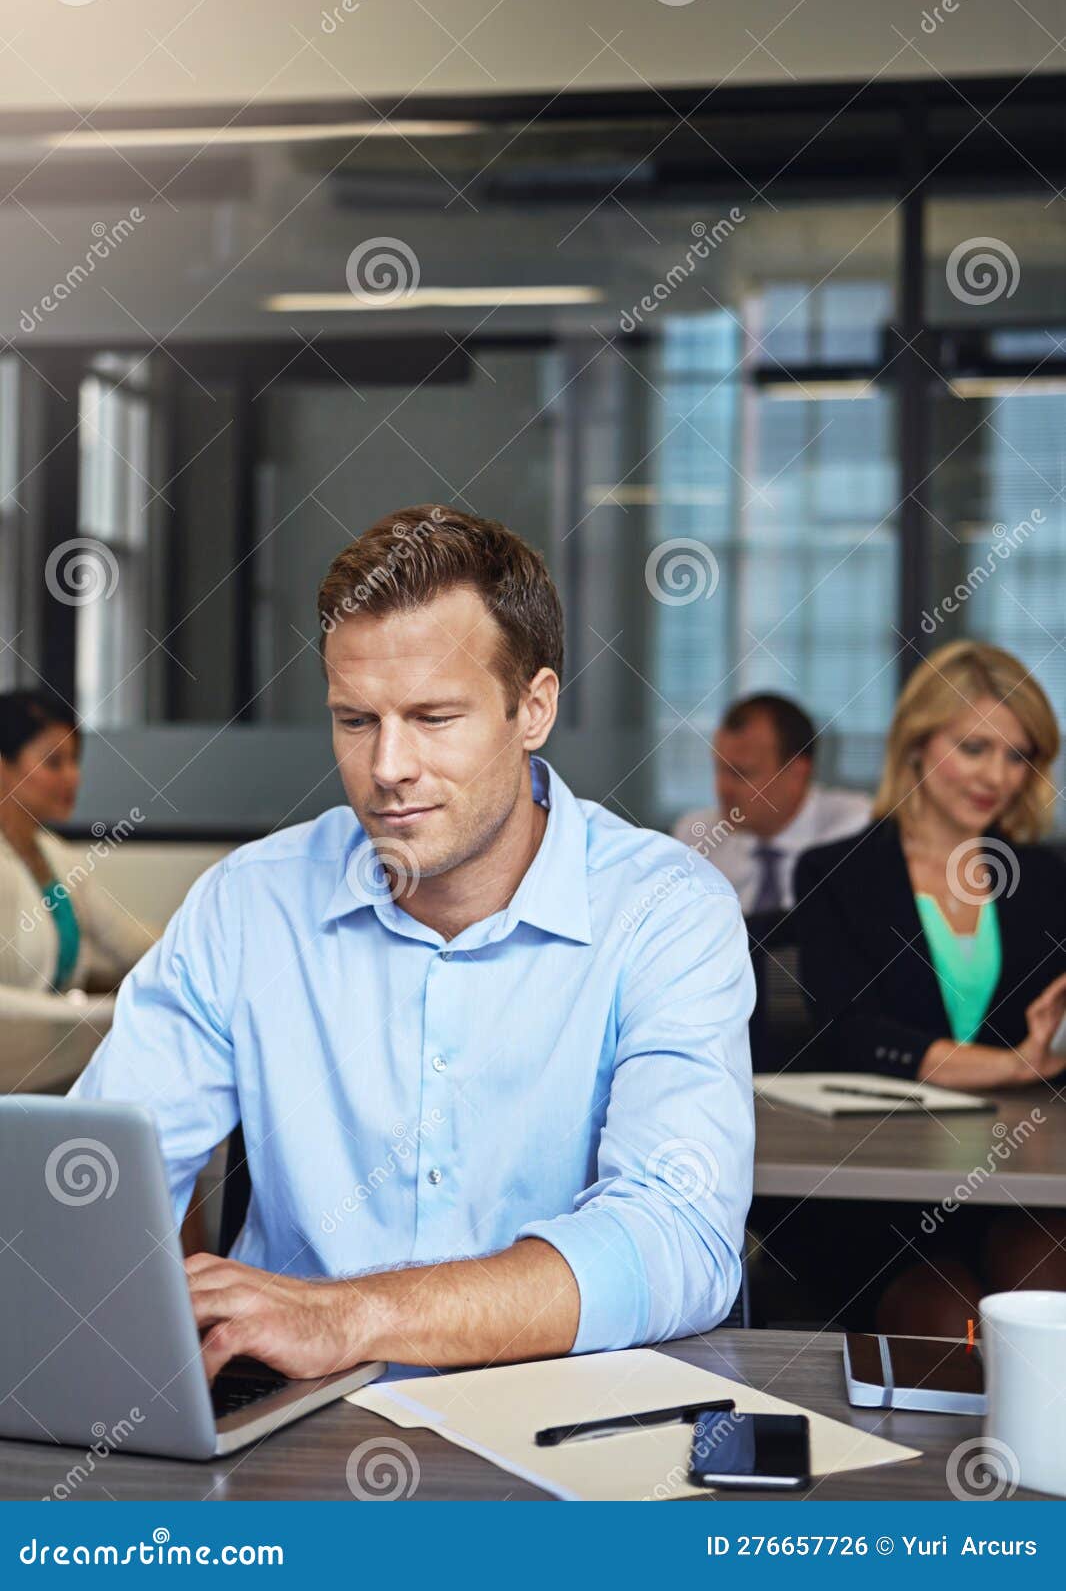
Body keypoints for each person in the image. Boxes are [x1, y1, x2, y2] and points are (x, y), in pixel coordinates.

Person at [72, 505, 755, 1381]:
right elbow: (90, 1188)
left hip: (558, 1413)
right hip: (289, 1421)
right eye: (356, 720)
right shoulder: (250, 904)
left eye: (433, 717)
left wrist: (352, 1316)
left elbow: (681, 1240)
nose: (387, 766)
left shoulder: (666, 907)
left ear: (533, 709)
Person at [793, 641, 1066, 1333]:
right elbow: (851, 1033)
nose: (997, 776)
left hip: (1016, 1176)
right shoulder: (839, 873)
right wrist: (1009, 1067)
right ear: (916, 744)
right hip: (872, 1189)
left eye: (1018, 755)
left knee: (1046, 1289)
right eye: (975, 748)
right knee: (950, 1323)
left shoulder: (1046, 878)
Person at [0, 690, 157, 1030]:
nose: (73, 777)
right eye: (54, 762)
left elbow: (125, 941)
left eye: (74, 761)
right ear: (2, 765)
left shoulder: (55, 854)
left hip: (47, 1051)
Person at [673, 693, 869, 916]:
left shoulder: (855, 829)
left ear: (797, 774)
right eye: (719, 769)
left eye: (741, 773)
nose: (723, 788)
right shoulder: (698, 838)